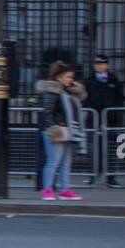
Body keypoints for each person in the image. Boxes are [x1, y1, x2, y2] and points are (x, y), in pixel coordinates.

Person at [38, 61, 86, 200]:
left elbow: (80, 102)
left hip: (68, 129)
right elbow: (47, 112)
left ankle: (65, 189)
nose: (70, 80)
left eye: (71, 77)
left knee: (66, 162)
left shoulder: (68, 92)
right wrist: (53, 128)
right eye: (68, 77)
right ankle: (47, 189)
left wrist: (78, 90)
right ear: (58, 77)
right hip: (56, 130)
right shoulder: (52, 91)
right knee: (53, 161)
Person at [85, 54, 123, 185]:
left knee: (111, 149)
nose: (99, 65)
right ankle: (93, 175)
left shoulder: (114, 80)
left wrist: (114, 112)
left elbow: (119, 99)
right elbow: (85, 99)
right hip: (94, 120)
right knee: (94, 149)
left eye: (102, 63)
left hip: (110, 120)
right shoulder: (89, 81)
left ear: (107, 65)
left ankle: (111, 177)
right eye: (97, 63)